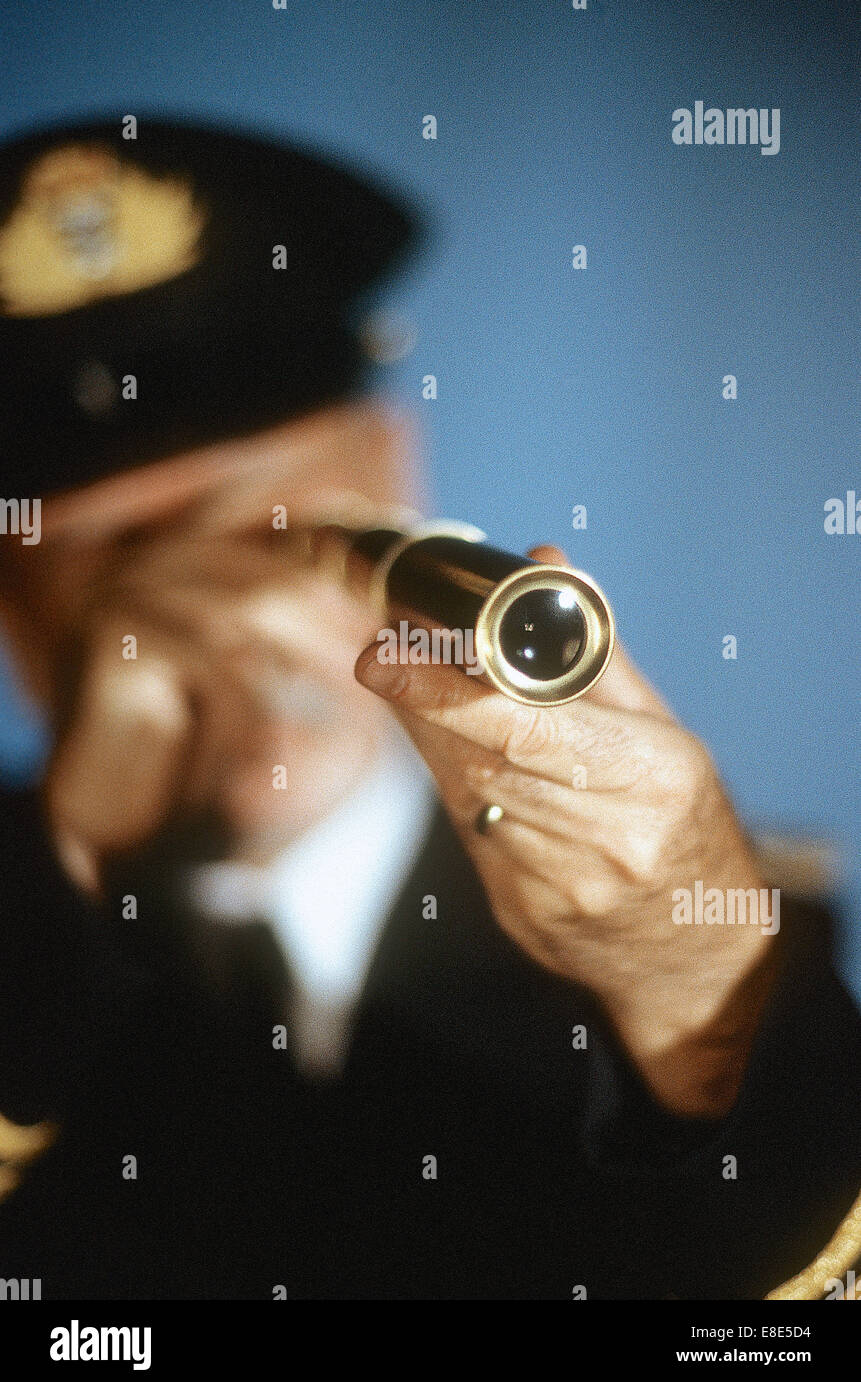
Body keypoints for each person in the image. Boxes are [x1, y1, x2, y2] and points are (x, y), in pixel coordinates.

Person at [0, 115, 858, 1300]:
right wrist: (66, 869)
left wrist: (695, 1009)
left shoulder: (700, 942)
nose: (226, 623)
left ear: (393, 472)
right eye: (123, 577)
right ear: (15, 618)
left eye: (266, 533)